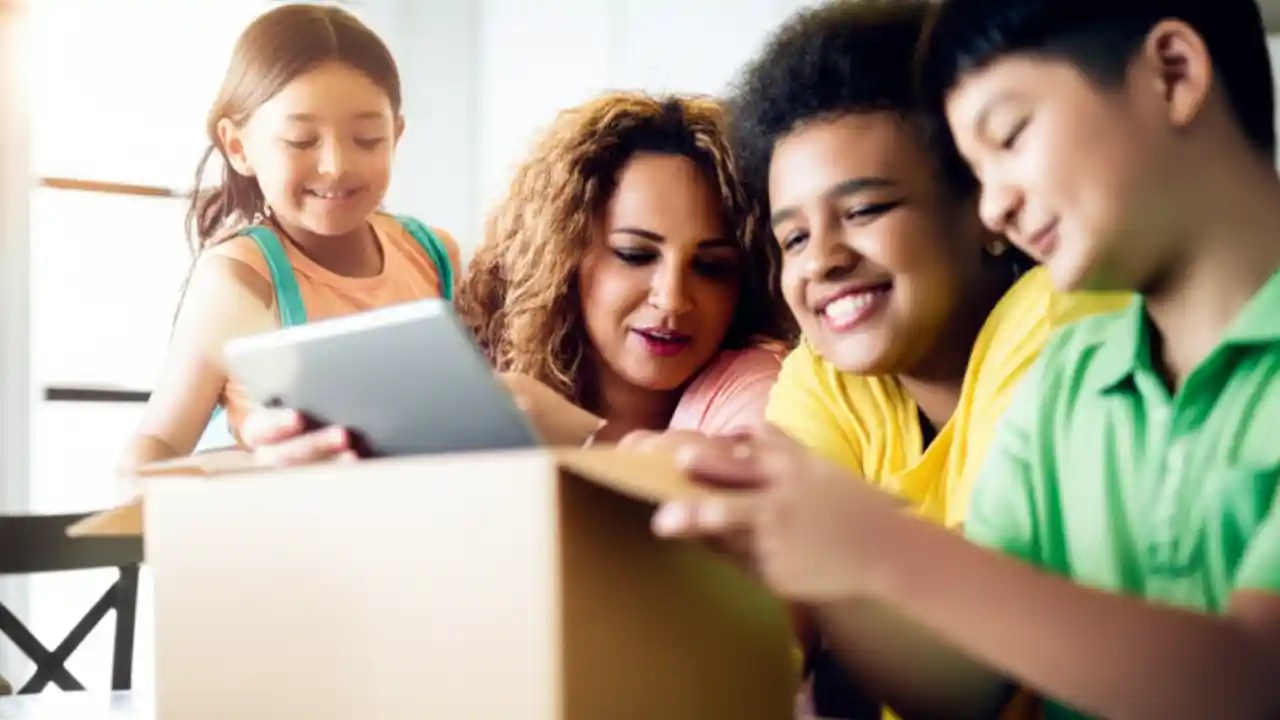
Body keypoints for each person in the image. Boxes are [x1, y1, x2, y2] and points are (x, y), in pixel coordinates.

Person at [654, 1, 1280, 718]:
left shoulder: (1046, 340)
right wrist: (798, 551)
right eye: (977, 169)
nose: (996, 207)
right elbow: (978, 684)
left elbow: (1254, 682)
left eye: (1010, 137)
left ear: (1173, 73)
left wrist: (875, 542)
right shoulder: (1077, 375)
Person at [240, 92, 796, 465]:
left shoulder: (758, 385)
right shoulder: (479, 376)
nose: (673, 299)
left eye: (712, 266)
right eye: (634, 254)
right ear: (565, 253)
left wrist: (581, 437)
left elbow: (739, 517)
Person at [118, 4, 458, 474]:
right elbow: (154, 445)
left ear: (397, 136)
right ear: (238, 147)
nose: (336, 165)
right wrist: (250, 465)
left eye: (367, 139)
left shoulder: (435, 255)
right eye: (301, 141)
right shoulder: (240, 277)